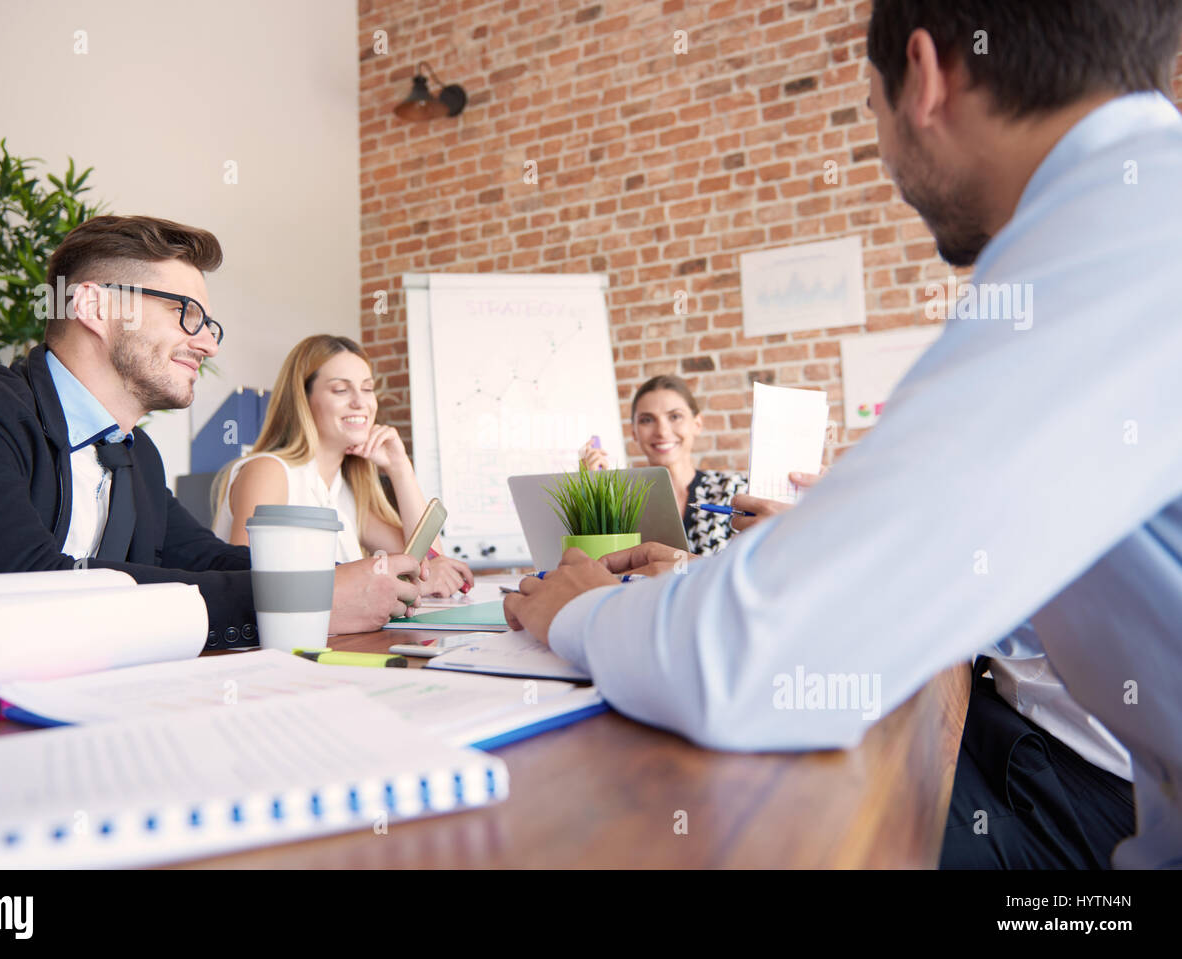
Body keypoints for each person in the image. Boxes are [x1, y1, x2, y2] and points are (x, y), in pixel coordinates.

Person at [505, 0, 1182, 870]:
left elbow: (750, 658)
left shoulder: (1112, 245)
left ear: (926, 77)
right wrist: (833, 543)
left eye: (869, 108)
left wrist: (579, 611)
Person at [0, 215, 421, 642]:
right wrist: (300, 598)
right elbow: (28, 595)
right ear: (92, 304)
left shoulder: (136, 456)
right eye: (186, 313)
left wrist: (357, 576)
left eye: (209, 324)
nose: (208, 344)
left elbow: (206, 558)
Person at [213, 335, 473, 597]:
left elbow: (431, 565)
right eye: (341, 390)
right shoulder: (269, 472)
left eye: (367, 388)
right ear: (303, 399)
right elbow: (248, 584)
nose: (360, 402)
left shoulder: (343, 490)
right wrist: (416, 581)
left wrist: (399, 468)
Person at [579, 374, 820, 554]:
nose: (662, 431)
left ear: (697, 423)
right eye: (647, 420)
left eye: (675, 416)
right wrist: (593, 495)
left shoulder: (737, 489)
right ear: (633, 431)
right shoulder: (619, 501)